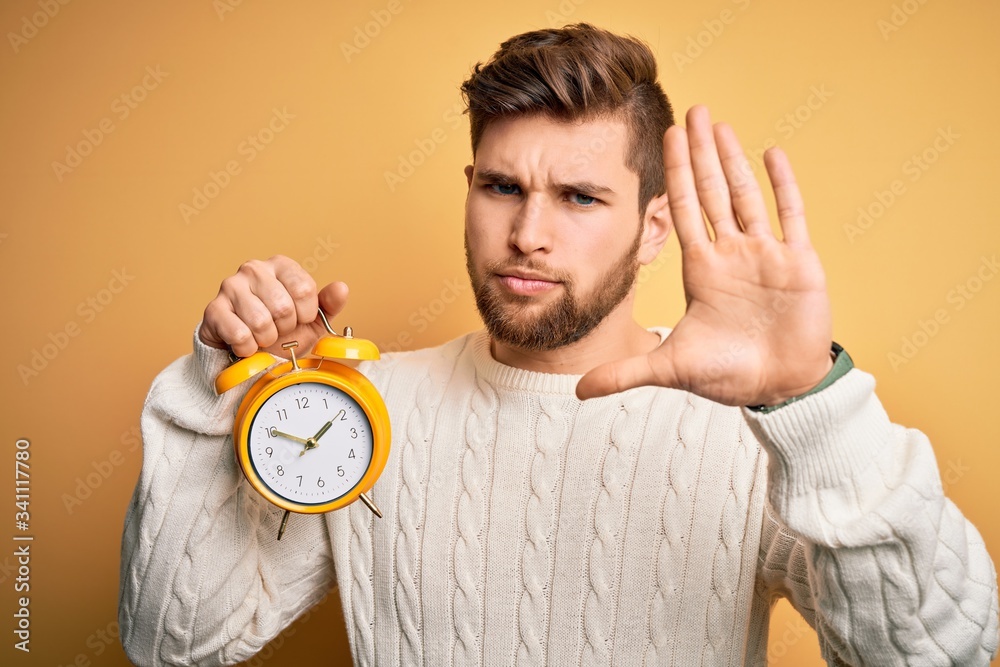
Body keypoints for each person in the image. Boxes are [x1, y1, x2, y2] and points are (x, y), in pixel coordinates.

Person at [118, 23, 998, 666]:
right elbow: (170, 638)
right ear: (470, 188)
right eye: (503, 186)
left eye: (580, 198)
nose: (528, 233)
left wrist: (813, 401)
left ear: (655, 229)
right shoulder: (362, 414)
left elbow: (941, 654)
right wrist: (223, 388)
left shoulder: (752, 424)